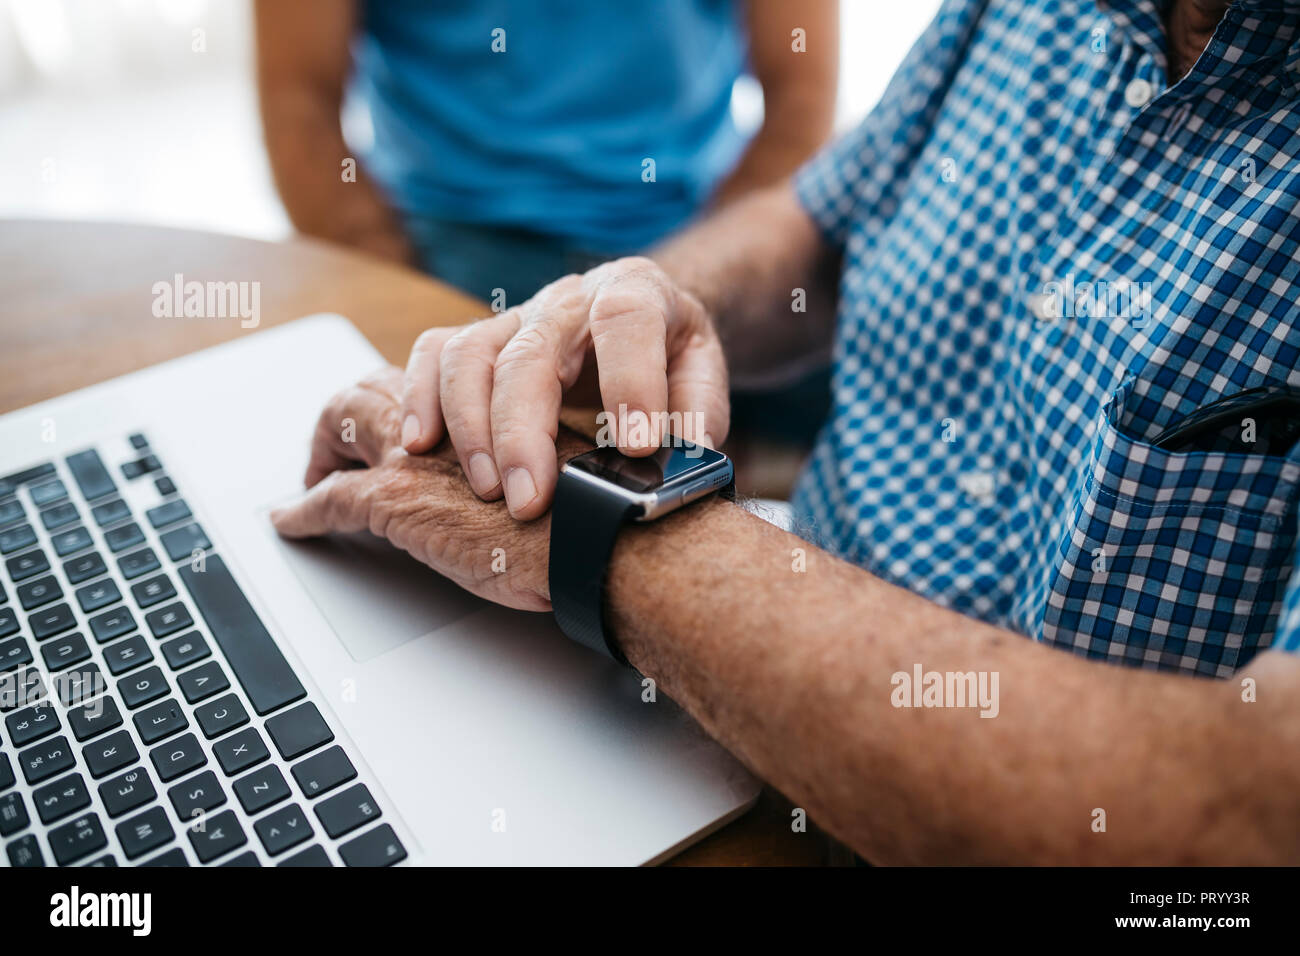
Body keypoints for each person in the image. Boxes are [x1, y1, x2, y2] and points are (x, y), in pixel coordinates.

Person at [271, 0, 1300, 863]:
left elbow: (1248, 814)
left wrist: (612, 532)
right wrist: (661, 291)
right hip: (711, 697)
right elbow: (821, 221)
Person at [253, 0, 838, 305]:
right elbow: (297, 100)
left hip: (704, 216)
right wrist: (405, 302)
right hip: (452, 234)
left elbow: (801, 91)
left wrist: (715, 272)